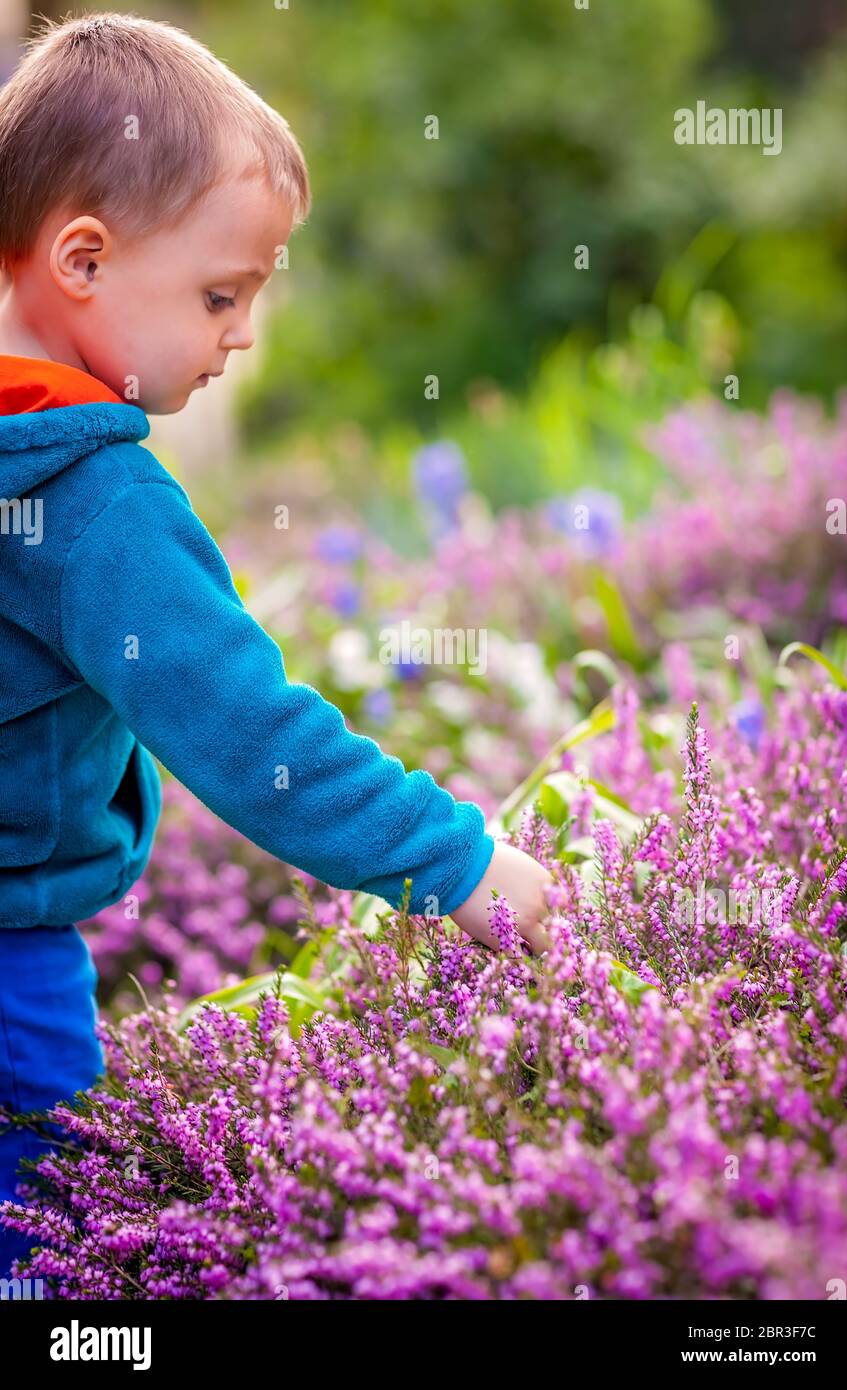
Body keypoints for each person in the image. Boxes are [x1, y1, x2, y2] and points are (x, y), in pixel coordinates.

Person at [0, 13, 551, 1276]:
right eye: (218, 294)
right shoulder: (99, 507)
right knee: (48, 1241)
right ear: (80, 258)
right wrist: (453, 858)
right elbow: (250, 735)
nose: (240, 335)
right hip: (11, 967)